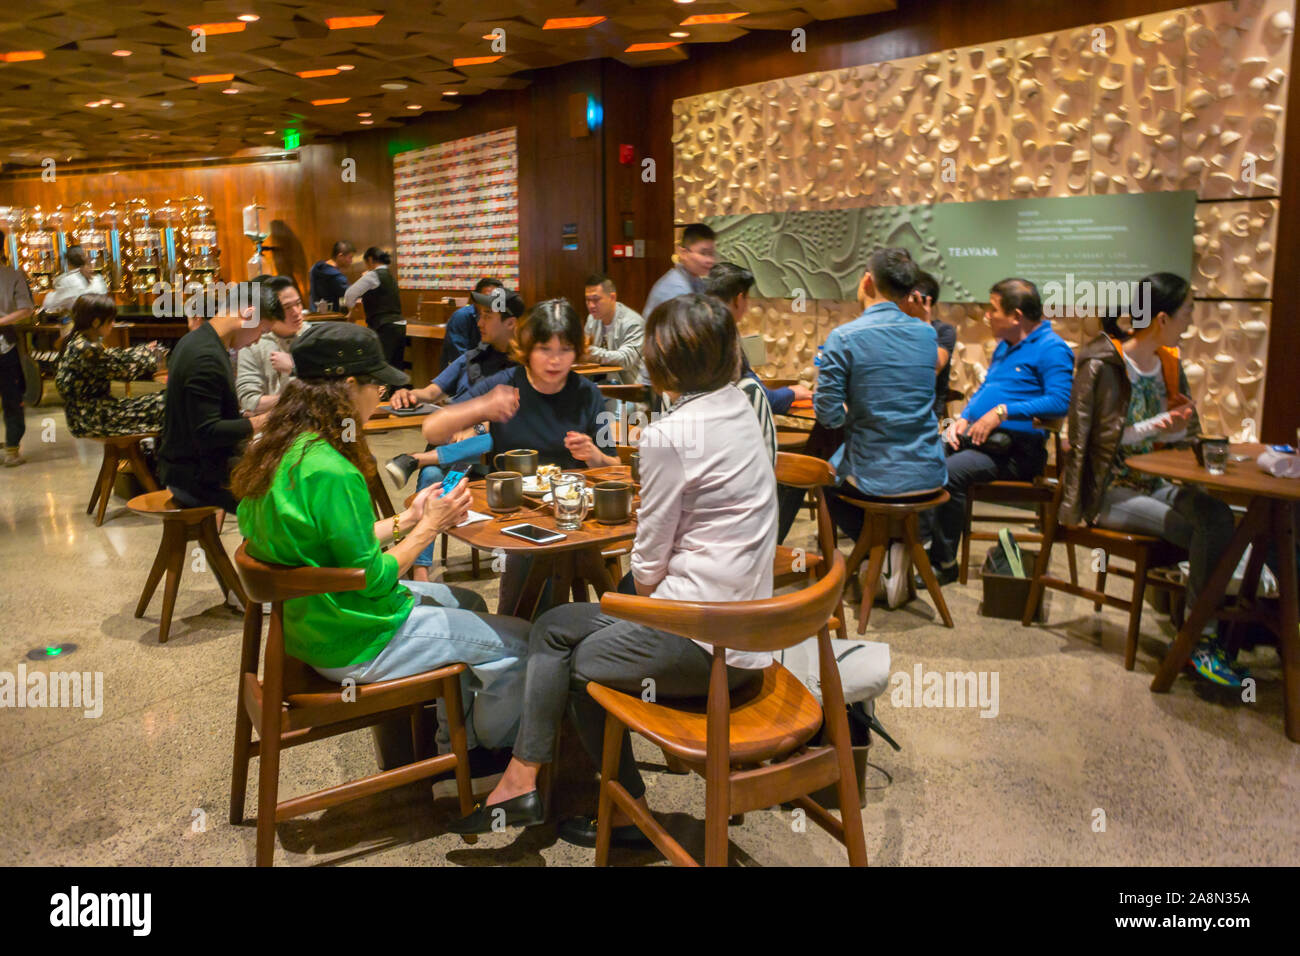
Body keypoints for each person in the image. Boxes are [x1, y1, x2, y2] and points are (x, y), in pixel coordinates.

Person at [445, 293, 776, 842]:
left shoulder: (670, 434)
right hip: (751, 626)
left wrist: (632, 598)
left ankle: (624, 811)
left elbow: (645, 570)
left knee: (575, 661)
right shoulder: (740, 406)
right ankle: (521, 778)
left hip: (703, 640)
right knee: (554, 627)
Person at [232, 320, 530, 752]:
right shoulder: (333, 469)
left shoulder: (282, 450)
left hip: (309, 625)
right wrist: (432, 525)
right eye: (378, 386)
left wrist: (407, 519)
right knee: (521, 645)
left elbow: (330, 545)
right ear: (350, 386)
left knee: (468, 601)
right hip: (356, 637)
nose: (383, 395)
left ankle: (452, 742)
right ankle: (483, 755)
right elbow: (372, 578)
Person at [1058, 273, 1240, 685]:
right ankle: (1199, 640)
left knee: (1218, 517)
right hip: (1109, 491)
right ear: (1162, 317)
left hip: (1157, 483)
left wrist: (1177, 426)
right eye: (1187, 310)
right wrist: (1162, 422)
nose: (1191, 318)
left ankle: (1196, 633)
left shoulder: (1170, 364)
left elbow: (1175, 435)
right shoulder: (1103, 361)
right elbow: (1098, 439)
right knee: (1206, 528)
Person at [422, 299, 619, 613]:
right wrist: (481, 408)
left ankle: (548, 633)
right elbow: (432, 429)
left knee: (559, 561)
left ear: (577, 351)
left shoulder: (589, 394)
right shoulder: (506, 383)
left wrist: (594, 454)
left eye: (565, 350)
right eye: (544, 349)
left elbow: (613, 466)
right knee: (529, 567)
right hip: (517, 517)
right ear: (527, 348)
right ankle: (532, 632)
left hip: (575, 518)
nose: (555, 360)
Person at [814, 248, 948, 586]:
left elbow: (828, 415)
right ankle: (896, 547)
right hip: (930, 470)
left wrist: (854, 413)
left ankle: (880, 547)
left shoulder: (843, 337)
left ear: (867, 281)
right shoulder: (927, 334)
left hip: (874, 476)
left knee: (823, 480)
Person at [926, 278, 1074, 583]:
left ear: (1016, 315)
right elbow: (987, 388)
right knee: (922, 454)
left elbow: (1060, 401)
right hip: (982, 441)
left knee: (951, 473)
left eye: (993, 310)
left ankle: (943, 563)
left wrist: (1003, 411)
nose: (987, 316)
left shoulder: (1053, 348)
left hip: (1017, 450)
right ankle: (912, 545)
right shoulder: (1005, 347)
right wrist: (964, 418)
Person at [384, 292, 523, 582]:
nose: (479, 321)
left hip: (494, 463)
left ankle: (416, 459)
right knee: (434, 477)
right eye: (479, 315)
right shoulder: (471, 356)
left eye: (487, 316)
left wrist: (475, 422)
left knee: (486, 434)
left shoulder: (521, 368)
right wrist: (410, 393)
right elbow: (433, 392)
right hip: (459, 464)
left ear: (511, 323)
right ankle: (421, 570)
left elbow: (510, 418)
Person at [157, 282, 275, 513]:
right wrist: (265, 420)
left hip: (191, 468)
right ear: (248, 314)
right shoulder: (206, 356)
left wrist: (243, 418)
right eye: (261, 331)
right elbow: (207, 432)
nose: (258, 340)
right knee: (285, 498)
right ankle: (258, 549)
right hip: (195, 479)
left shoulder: (199, 340)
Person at [704, 261, 811, 415]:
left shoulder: (698, 327)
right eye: (747, 298)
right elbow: (760, 397)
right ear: (739, 299)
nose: (748, 305)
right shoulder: (724, 335)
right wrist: (793, 393)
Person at [54, 293, 165, 437]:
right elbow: (125, 372)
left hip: (91, 413)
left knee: (165, 399)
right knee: (165, 403)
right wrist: (151, 358)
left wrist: (143, 351)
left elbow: (113, 357)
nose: (113, 324)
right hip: (94, 418)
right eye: (110, 320)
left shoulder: (78, 341)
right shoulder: (85, 349)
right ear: (95, 322)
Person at [637, 223, 717, 387]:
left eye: (711, 254)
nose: (709, 260)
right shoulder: (676, 288)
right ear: (683, 252)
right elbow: (684, 341)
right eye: (703, 253)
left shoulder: (696, 282)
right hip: (663, 380)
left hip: (673, 375)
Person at [235, 276, 310, 414]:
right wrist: (295, 398)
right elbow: (249, 400)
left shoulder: (315, 337)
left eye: (298, 304)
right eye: (287, 307)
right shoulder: (253, 343)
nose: (296, 312)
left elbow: (328, 389)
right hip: (271, 427)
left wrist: (294, 367)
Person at [902, 270, 957, 423]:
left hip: (924, 415)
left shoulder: (943, 331)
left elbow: (934, 367)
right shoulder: (893, 328)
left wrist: (923, 323)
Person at [0, 233, 35, 467]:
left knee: (11, 397)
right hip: (5, 343)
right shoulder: (13, 275)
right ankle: (12, 450)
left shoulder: (13, 275)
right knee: (12, 397)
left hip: (5, 343)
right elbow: (26, 309)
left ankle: (11, 448)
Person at [343, 247, 405, 369]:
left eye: (366, 264)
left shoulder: (373, 275)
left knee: (381, 366)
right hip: (399, 325)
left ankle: (382, 389)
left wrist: (352, 311)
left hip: (384, 326)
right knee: (396, 367)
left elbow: (349, 295)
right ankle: (396, 389)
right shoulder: (389, 275)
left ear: (370, 260)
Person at [582, 273, 645, 385]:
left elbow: (626, 360)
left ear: (612, 297)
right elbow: (585, 349)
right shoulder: (592, 319)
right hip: (601, 387)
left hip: (631, 391)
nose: (591, 305)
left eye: (596, 300)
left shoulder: (633, 323)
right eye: (587, 300)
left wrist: (590, 352)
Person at [441, 277, 509, 370]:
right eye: (485, 297)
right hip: (460, 372)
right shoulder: (461, 317)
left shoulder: (500, 318)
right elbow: (458, 357)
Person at [40, 246, 109, 318]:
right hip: (100, 321)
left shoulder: (66, 281)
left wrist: (50, 295)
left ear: (68, 263)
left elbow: (50, 305)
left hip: (78, 324)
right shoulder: (98, 278)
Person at [308, 240, 354, 313]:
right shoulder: (336, 277)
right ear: (340, 256)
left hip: (314, 316)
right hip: (331, 318)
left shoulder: (314, 268)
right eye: (350, 257)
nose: (351, 261)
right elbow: (352, 293)